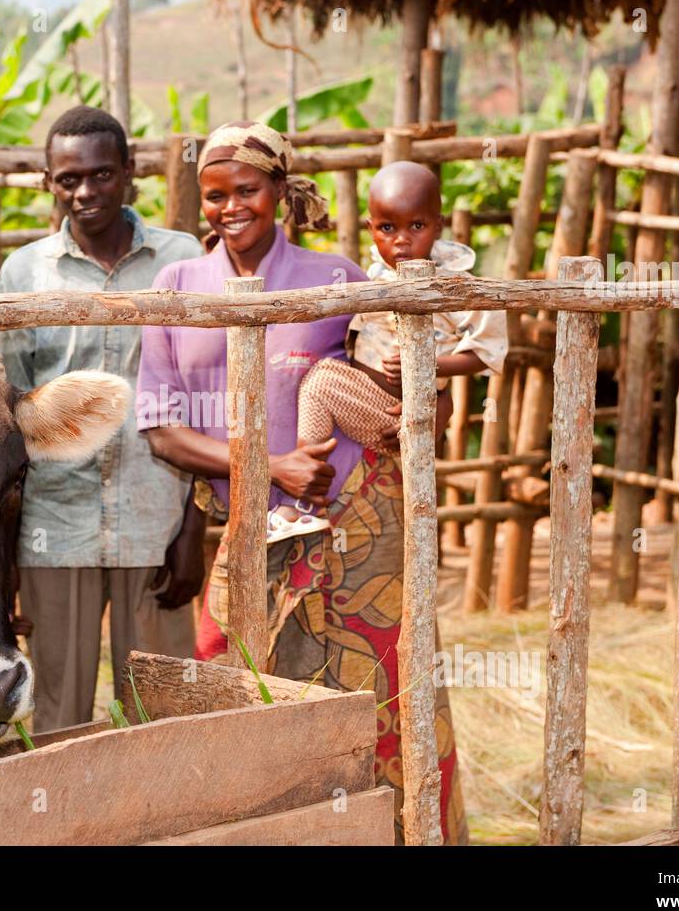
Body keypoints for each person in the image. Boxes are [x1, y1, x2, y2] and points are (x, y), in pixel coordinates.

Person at [137, 124, 468, 843]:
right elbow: (161, 429)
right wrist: (268, 466)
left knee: (384, 694)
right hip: (256, 527)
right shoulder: (177, 288)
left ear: (281, 193)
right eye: (216, 195)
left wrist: (423, 388)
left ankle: (405, 834)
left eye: (248, 191)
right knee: (234, 681)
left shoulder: (339, 277)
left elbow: (403, 385)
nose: (230, 208)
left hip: (359, 521)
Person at [0, 106, 206, 733]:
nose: (86, 192)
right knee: (59, 714)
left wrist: (194, 528)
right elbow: (5, 421)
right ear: (47, 182)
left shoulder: (180, 261)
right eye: (69, 179)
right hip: (54, 528)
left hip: (157, 519)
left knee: (164, 713)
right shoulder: (23, 274)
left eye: (102, 174)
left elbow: (203, 393)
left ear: (130, 173)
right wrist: (2, 565)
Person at [277, 160, 507, 539]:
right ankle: (310, 492)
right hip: (375, 411)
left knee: (320, 381)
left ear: (439, 225)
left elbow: (487, 352)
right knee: (321, 379)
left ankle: (303, 499)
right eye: (388, 228)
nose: (401, 239)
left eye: (416, 226)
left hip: (406, 413)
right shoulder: (371, 281)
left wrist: (430, 367)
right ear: (371, 229)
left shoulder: (457, 287)